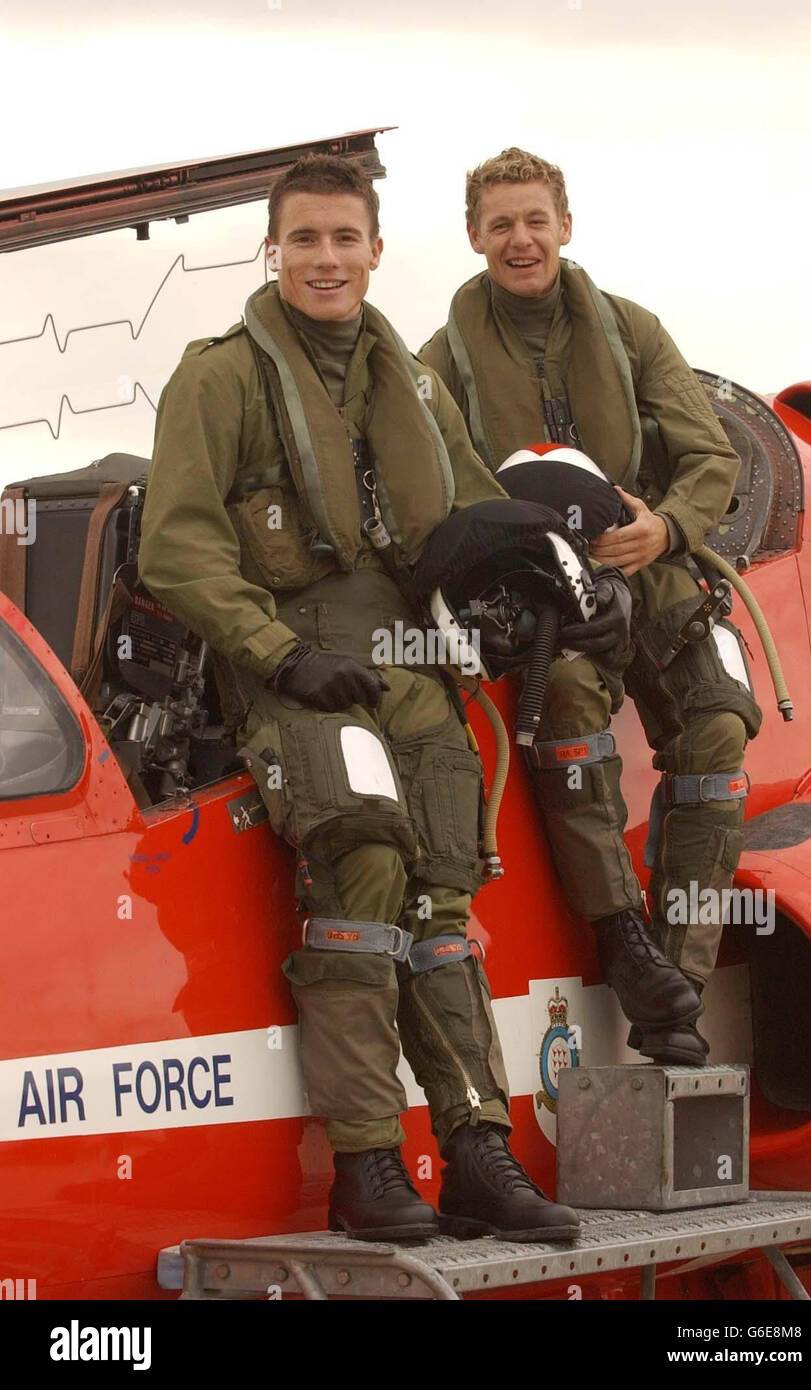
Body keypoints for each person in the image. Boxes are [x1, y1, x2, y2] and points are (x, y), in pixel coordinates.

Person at [137, 154, 580, 1242]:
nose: (326, 259)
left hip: (409, 666)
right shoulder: (220, 379)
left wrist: (552, 585)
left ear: (377, 250)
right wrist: (281, 655)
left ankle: (476, 1150)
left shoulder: (414, 388)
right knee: (365, 859)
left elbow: (472, 512)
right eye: (305, 239)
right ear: (273, 250)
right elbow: (178, 549)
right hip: (294, 664)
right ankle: (368, 1161)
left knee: (443, 901)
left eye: (345, 239)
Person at [419, 147, 762, 1065]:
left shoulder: (631, 329)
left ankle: (679, 982)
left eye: (535, 220)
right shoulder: (439, 361)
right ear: (474, 237)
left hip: (646, 562)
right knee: (565, 700)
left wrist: (668, 527)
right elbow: (426, 488)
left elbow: (711, 455)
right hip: (540, 587)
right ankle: (621, 935)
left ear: (565, 226)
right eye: (500, 224)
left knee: (717, 724)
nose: (520, 240)